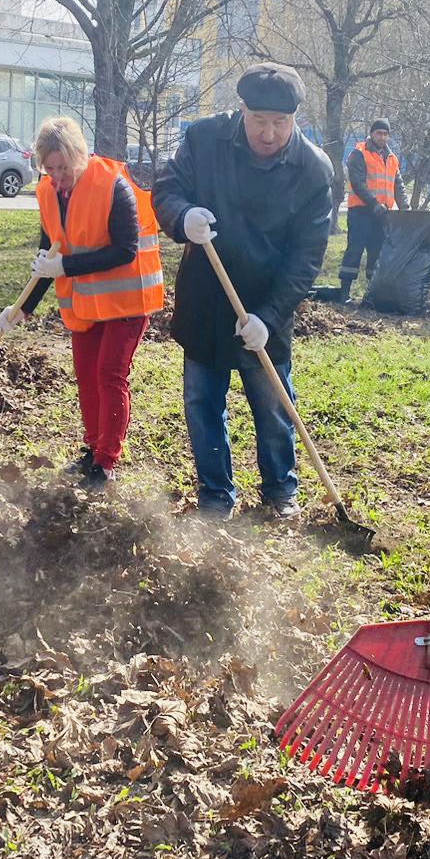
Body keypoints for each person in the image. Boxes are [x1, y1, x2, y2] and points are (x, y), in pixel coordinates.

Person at [153, 63, 334, 520]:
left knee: (273, 403)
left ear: (296, 119)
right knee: (202, 403)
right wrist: (182, 215)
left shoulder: (313, 169)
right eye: (259, 121)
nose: (270, 133)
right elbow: (167, 189)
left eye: (281, 123)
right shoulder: (205, 140)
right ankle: (215, 495)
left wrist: (269, 318)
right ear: (242, 111)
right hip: (206, 298)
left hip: (267, 305)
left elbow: (306, 257)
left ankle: (280, 489)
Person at [0, 117, 164, 489]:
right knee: (87, 376)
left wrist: (66, 266)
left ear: (81, 156)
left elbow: (125, 249)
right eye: (50, 169)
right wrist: (21, 308)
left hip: (128, 301)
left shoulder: (113, 186)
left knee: (109, 375)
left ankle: (106, 464)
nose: (58, 177)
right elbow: (49, 251)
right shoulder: (48, 192)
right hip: (87, 305)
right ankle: (92, 450)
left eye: (65, 168)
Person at [337, 118, 407, 302]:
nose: (382, 137)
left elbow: (398, 186)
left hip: (382, 214)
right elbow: (358, 183)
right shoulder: (359, 153)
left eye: (385, 134)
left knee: (376, 253)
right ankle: (344, 292)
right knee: (355, 250)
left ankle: (370, 294)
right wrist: (374, 204)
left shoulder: (392, 158)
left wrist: (406, 209)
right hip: (361, 211)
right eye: (379, 133)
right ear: (372, 133)